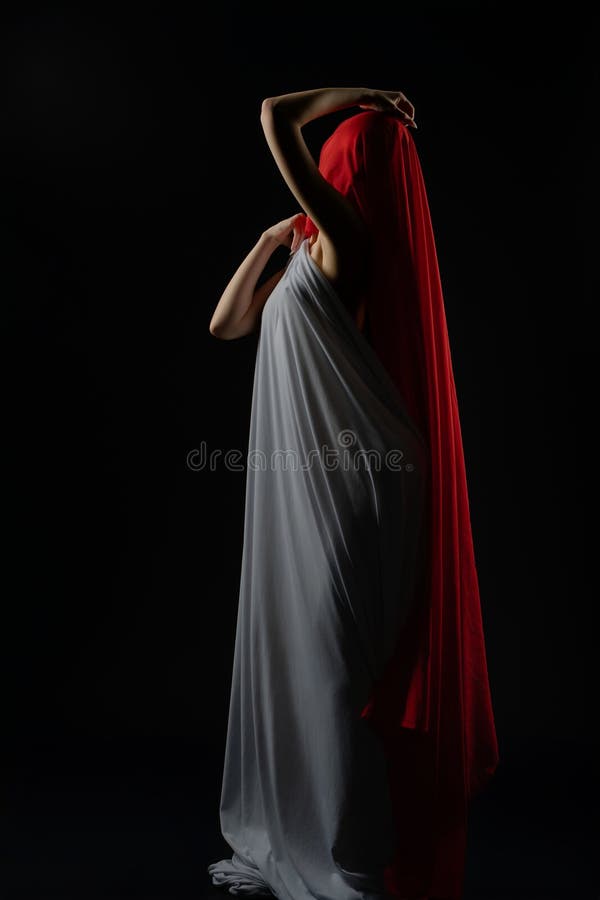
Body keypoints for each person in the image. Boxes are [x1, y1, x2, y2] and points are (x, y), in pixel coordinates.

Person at [207, 87, 499, 900]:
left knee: (340, 670)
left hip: (349, 486)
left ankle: (357, 855)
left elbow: (273, 113)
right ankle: (333, 837)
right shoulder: (310, 252)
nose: (325, 162)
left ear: (350, 170)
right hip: (323, 482)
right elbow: (226, 325)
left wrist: (364, 94)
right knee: (319, 661)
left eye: (341, 153)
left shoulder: (348, 240)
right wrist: (269, 240)